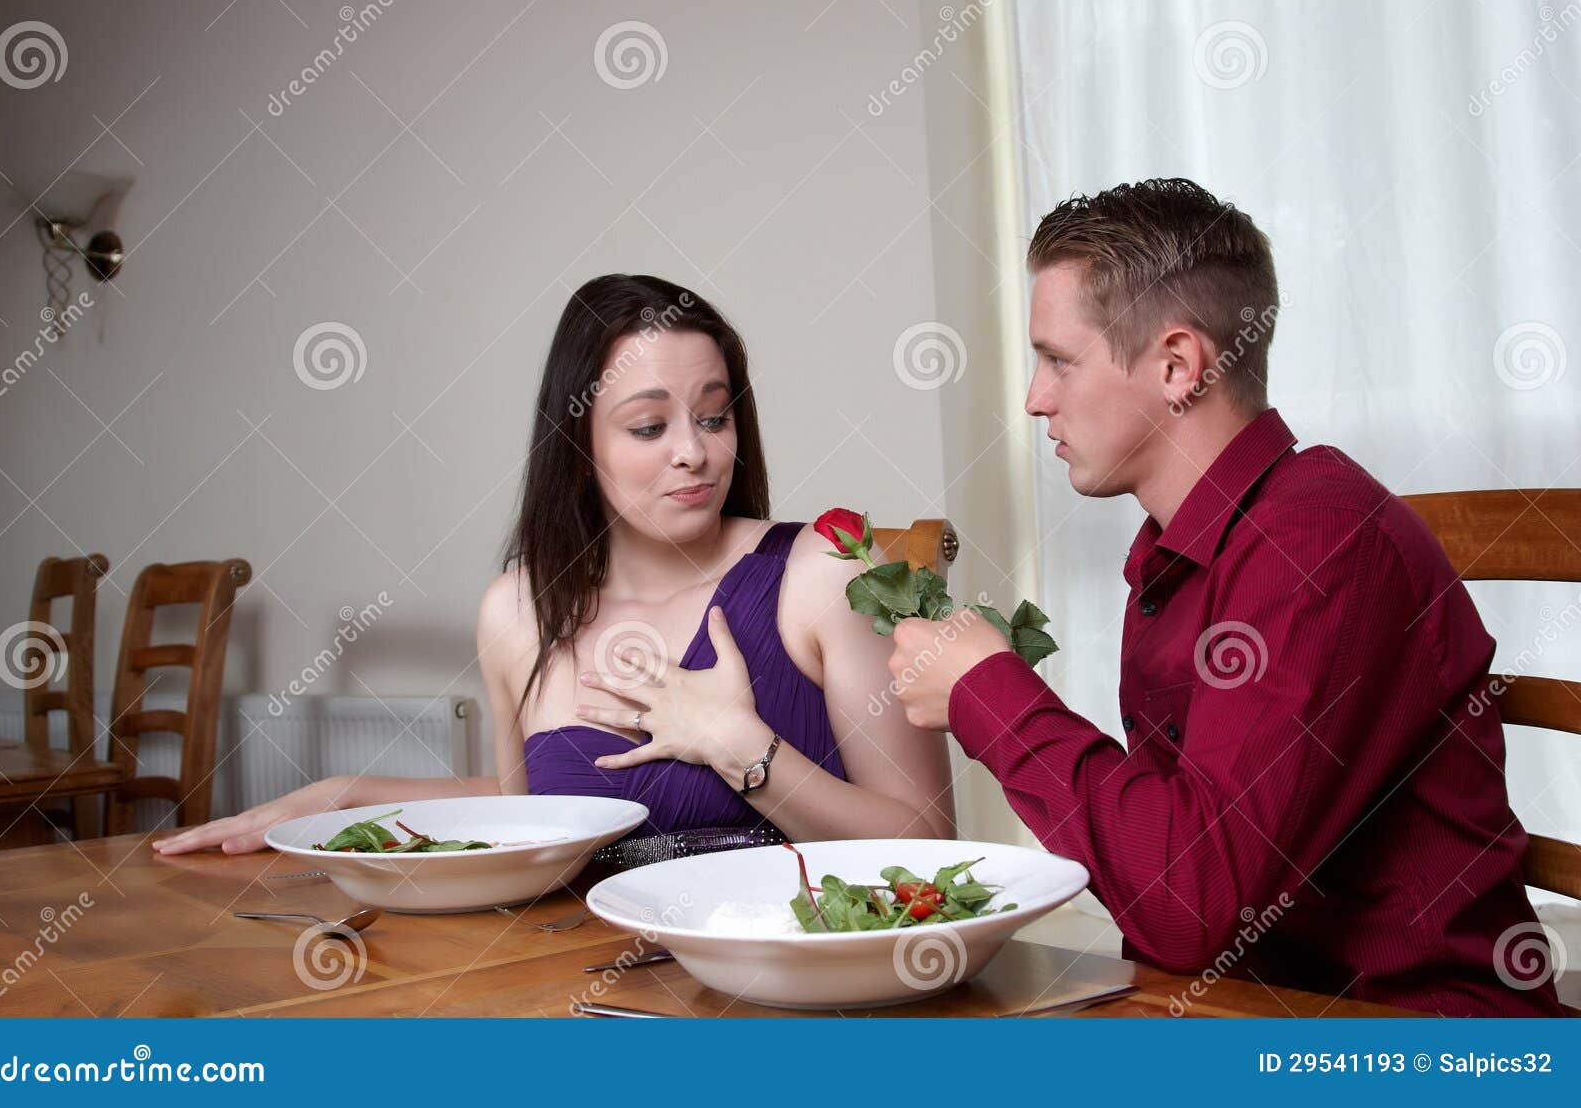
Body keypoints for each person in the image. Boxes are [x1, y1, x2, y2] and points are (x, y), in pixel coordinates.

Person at [886, 178, 1563, 1017]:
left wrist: (986, 691)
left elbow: (1188, 901)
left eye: (1059, 359)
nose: (1036, 398)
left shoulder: (1319, 543)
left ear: (1176, 365)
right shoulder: (1177, 552)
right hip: (1237, 1013)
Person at [154, 274, 953, 859]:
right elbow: (521, 812)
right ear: (578, 445)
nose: (695, 450)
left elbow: (929, 839)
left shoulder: (820, 567)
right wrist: (338, 797)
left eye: (714, 416)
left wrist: (738, 745)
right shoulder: (515, 612)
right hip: (579, 993)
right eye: (649, 426)